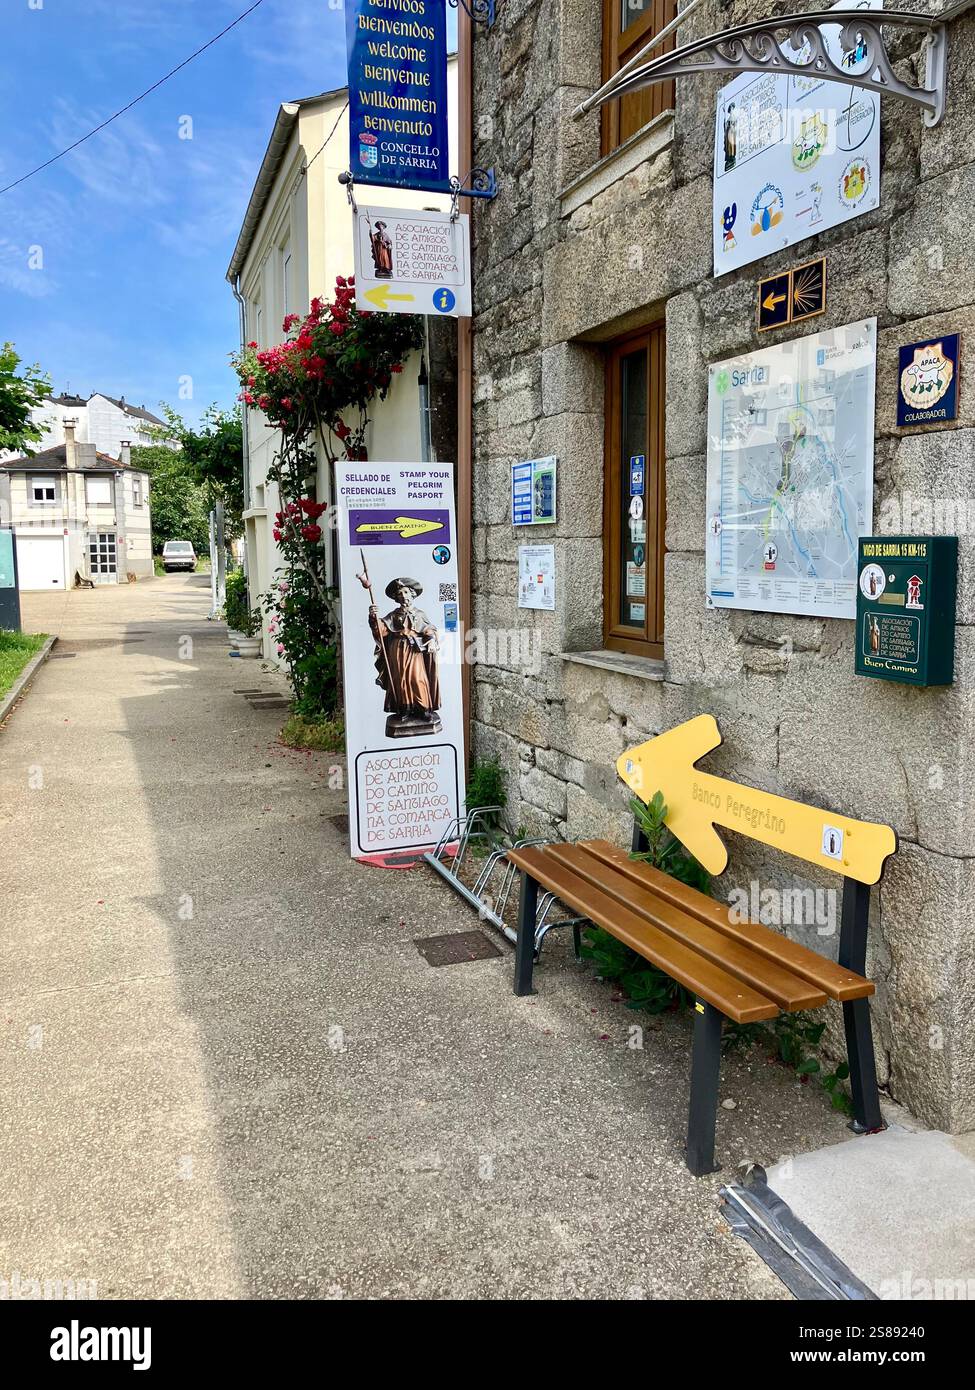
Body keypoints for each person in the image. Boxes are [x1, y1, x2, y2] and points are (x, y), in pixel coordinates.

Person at [367, 578, 442, 736]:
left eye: (406, 592)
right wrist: (374, 618)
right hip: (398, 650)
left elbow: (429, 628)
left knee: (418, 678)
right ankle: (405, 710)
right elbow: (382, 630)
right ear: (396, 598)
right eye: (400, 593)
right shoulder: (393, 615)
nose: (403, 596)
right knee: (401, 679)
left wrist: (431, 639)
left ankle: (423, 709)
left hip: (415, 650)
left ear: (412, 595)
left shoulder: (420, 614)